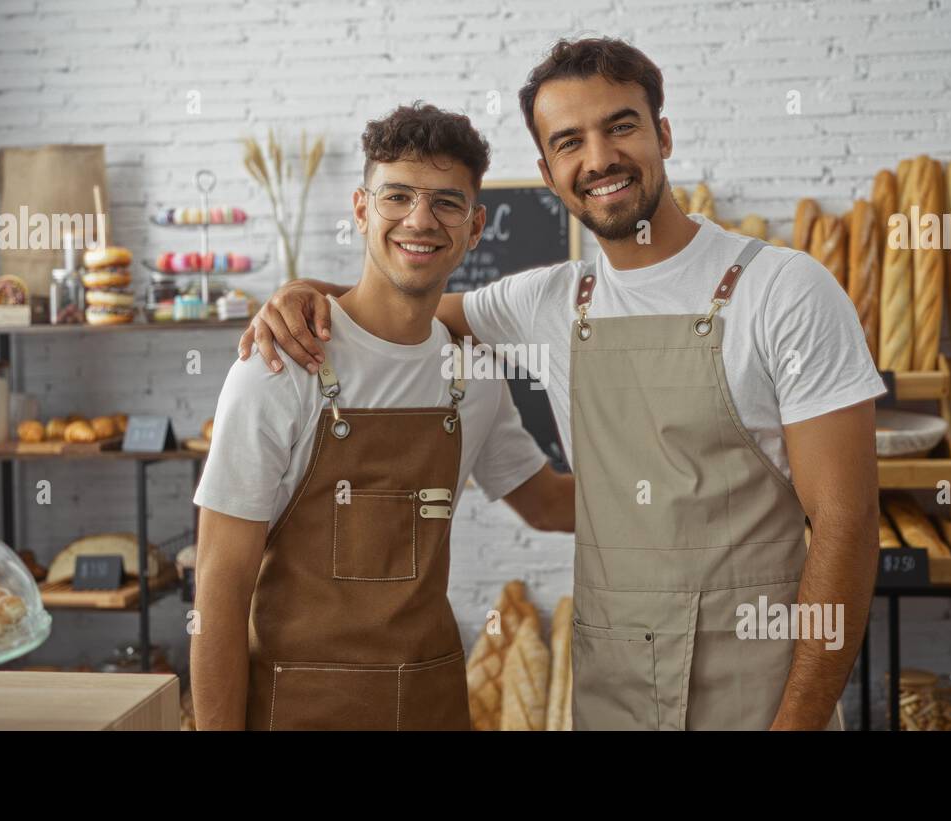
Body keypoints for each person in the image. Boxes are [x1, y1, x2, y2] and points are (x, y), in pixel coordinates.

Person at [238, 38, 884, 730]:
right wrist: (303, 293)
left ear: (663, 134)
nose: (600, 158)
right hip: (611, 694)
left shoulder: (784, 291)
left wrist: (800, 723)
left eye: (622, 126)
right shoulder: (550, 299)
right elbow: (401, 307)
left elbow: (846, 527)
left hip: (758, 694)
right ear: (549, 174)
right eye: (570, 142)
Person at [191, 102, 574, 731]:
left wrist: (692, 484)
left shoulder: (472, 375)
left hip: (432, 709)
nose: (420, 220)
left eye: (447, 203)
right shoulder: (279, 365)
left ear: (475, 227)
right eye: (396, 196)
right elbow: (219, 591)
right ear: (363, 209)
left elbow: (549, 504)